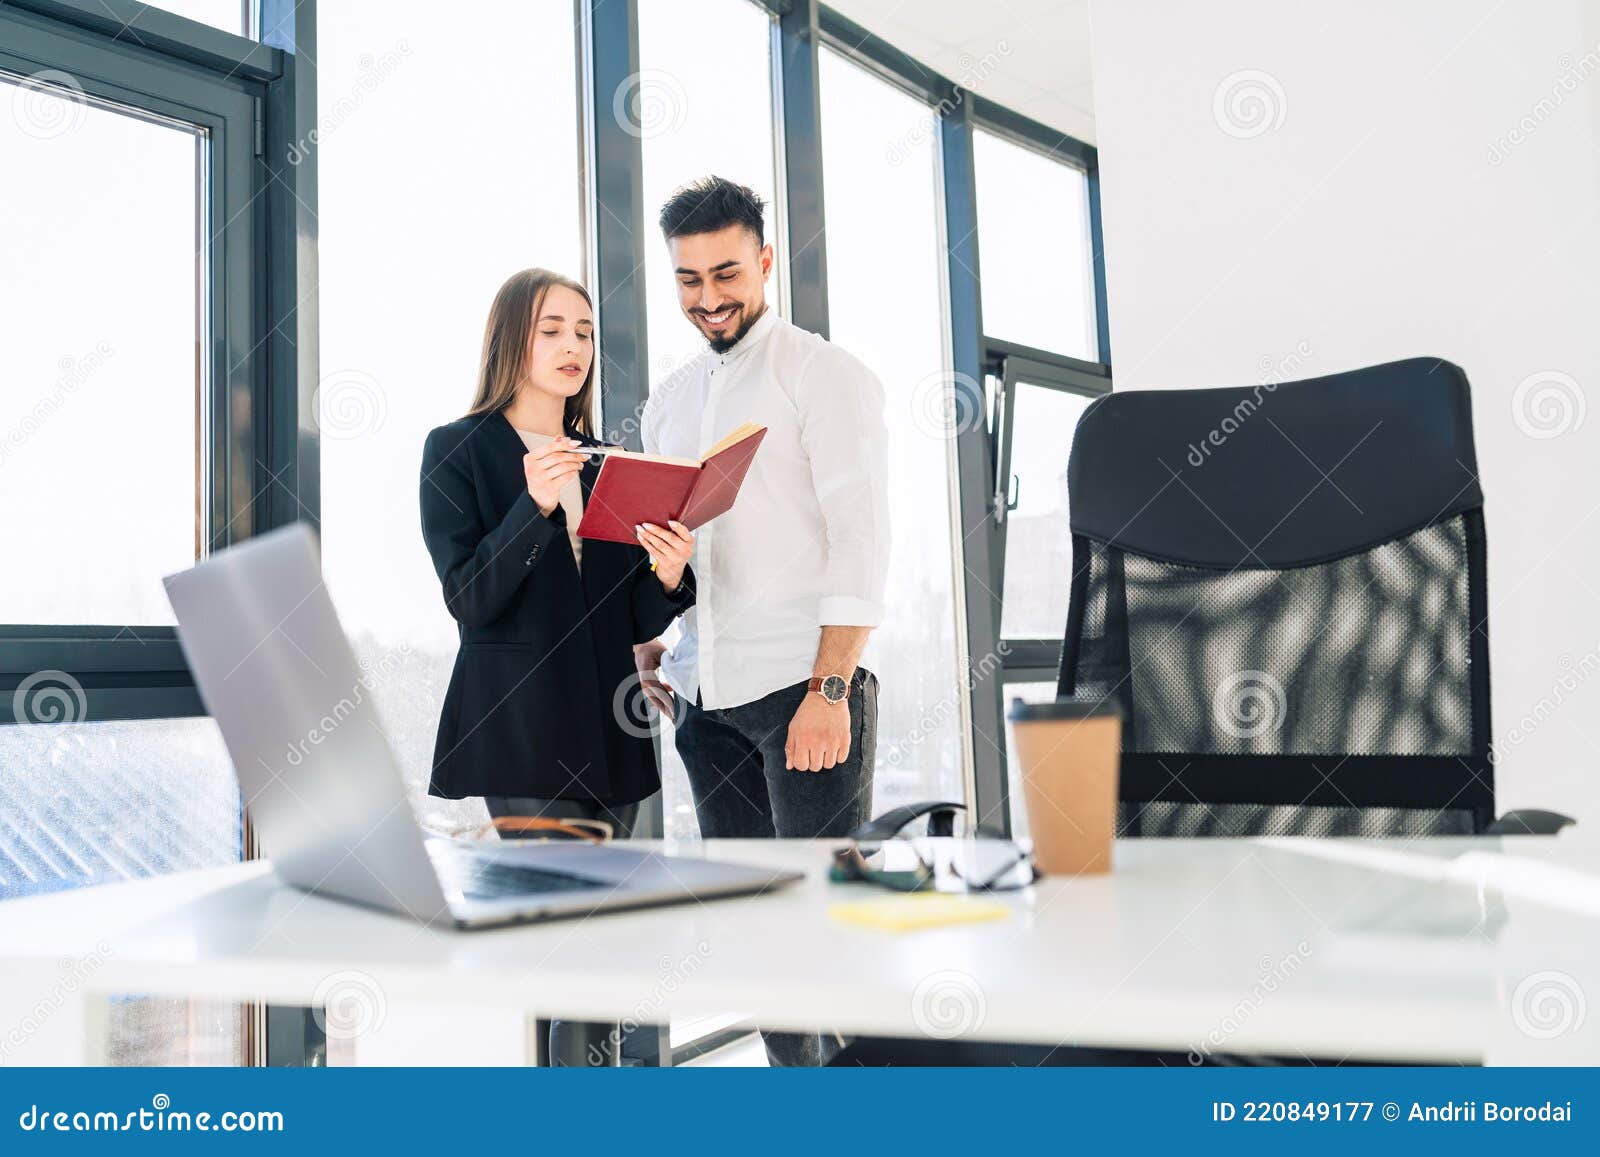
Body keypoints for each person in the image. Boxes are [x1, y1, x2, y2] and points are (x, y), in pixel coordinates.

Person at [636, 176, 891, 1067]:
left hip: (803, 691)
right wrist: (655, 633)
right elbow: (680, 552)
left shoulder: (824, 375)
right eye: (689, 279)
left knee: (827, 929)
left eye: (727, 273)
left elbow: (860, 541)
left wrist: (831, 690)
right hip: (706, 700)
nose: (708, 298)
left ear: (767, 262)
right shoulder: (668, 402)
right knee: (758, 934)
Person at [419, 267, 695, 1065]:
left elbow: (626, 618)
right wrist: (531, 507)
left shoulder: (607, 464)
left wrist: (669, 576)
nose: (574, 346)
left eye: (584, 332)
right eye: (552, 330)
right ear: (512, 339)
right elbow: (469, 598)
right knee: (561, 954)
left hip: (611, 731)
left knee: (607, 955)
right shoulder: (458, 449)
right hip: (524, 731)